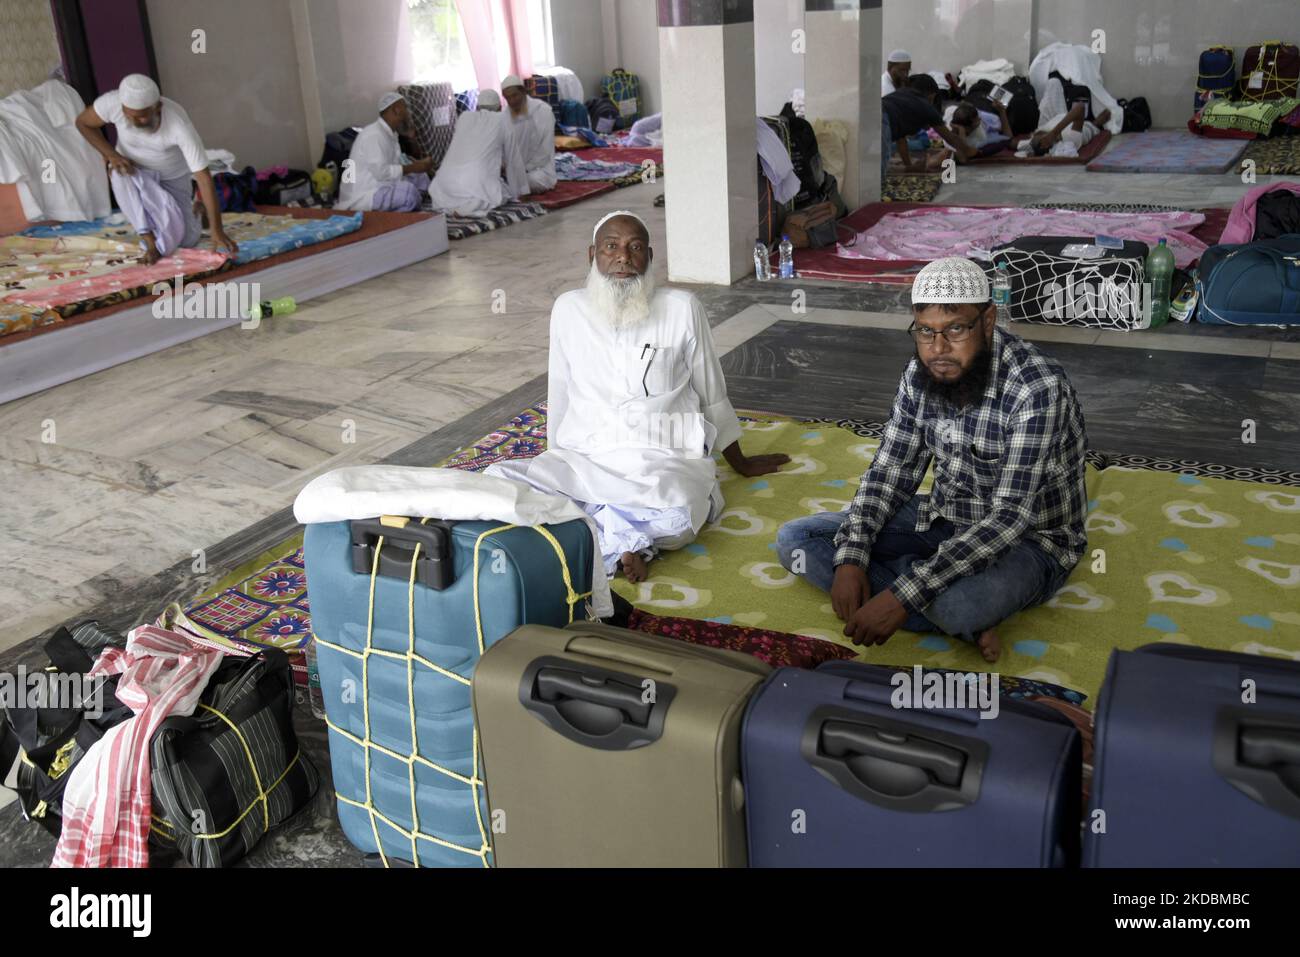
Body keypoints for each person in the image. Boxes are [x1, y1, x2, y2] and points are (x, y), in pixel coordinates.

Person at [775, 257, 1088, 663]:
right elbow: (891, 470)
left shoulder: (1036, 388)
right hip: (944, 517)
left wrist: (899, 599)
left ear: (988, 320)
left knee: (960, 606)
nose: (938, 349)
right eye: (925, 331)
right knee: (797, 541)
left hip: (1030, 542)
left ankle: (950, 603)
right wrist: (852, 555)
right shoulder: (919, 372)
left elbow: (1009, 518)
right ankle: (939, 593)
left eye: (955, 329)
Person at [488, 211, 789, 581]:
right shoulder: (568, 309)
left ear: (649, 255)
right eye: (610, 247)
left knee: (681, 514)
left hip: (662, 458)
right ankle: (625, 537)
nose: (623, 258)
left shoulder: (682, 308)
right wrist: (557, 460)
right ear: (591, 256)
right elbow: (561, 389)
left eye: (634, 248)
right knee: (498, 479)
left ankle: (600, 532)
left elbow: (711, 390)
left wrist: (738, 461)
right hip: (587, 454)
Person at [75, 74, 236, 264]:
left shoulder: (178, 124)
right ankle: (149, 240)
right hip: (132, 170)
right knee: (119, 173)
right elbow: (83, 122)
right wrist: (111, 155)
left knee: (184, 241)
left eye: (142, 117)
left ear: (157, 107)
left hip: (172, 177)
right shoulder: (111, 103)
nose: (134, 122)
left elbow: (204, 178)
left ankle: (197, 213)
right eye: (129, 116)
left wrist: (217, 229)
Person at [426, 90, 528, 217]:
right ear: (500, 108)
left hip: (444, 183)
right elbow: (514, 160)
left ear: (477, 107)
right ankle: (464, 209)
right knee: (501, 193)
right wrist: (522, 190)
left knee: (470, 188)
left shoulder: (464, 117)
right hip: (474, 180)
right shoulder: (503, 119)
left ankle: (452, 207)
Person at [336, 92, 434, 212]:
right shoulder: (374, 135)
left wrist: (417, 165)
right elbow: (381, 173)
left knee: (421, 177)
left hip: (383, 183)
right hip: (364, 194)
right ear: (396, 110)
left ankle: (411, 200)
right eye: (406, 109)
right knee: (409, 193)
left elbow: (395, 165)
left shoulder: (391, 134)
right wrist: (413, 167)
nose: (408, 114)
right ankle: (391, 214)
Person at [882, 75, 974, 180]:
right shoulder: (925, 106)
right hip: (881, 120)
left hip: (869, 115)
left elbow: (901, 139)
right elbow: (950, 138)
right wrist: (970, 152)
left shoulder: (900, 95)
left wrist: (909, 166)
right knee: (876, 172)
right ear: (932, 95)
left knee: (869, 164)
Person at [501, 74, 557, 194]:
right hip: (512, 172)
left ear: (523, 92)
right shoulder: (504, 116)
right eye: (508, 98)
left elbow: (545, 150)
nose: (512, 101)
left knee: (531, 181)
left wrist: (524, 169)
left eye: (515, 95)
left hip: (538, 169)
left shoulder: (542, 110)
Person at [1028, 102, 1110, 158]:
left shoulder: (1038, 136)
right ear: (1045, 144)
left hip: (1061, 118)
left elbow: (1016, 143)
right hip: (1086, 126)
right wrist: (1053, 133)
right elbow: (1080, 107)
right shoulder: (1070, 140)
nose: (1036, 134)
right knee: (1104, 115)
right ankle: (1098, 122)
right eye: (1040, 136)